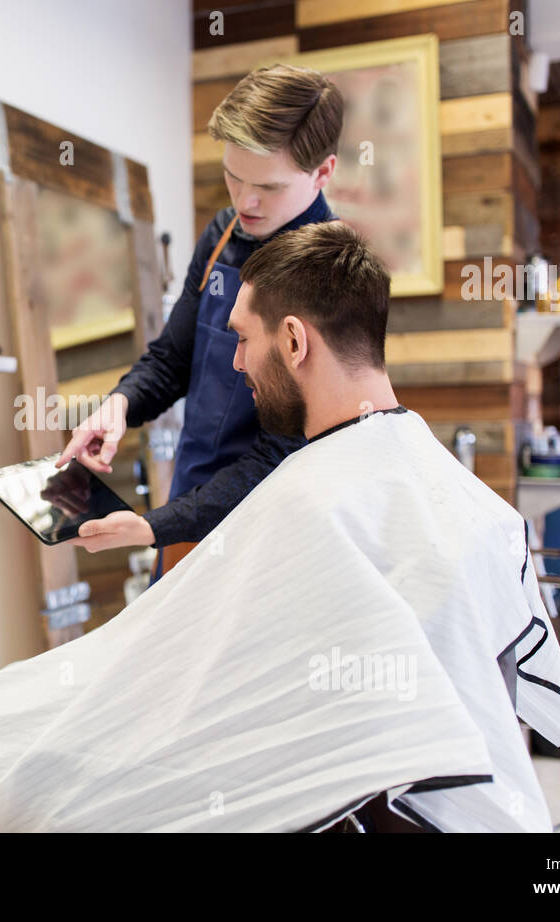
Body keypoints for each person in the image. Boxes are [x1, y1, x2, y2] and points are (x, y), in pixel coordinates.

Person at [0, 224, 560, 832]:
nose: (237, 363)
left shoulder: (314, 501)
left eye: (243, 339)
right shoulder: (470, 502)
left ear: (297, 342)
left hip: (192, 750)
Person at [57, 64, 343, 576]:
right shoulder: (221, 234)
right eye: (233, 176)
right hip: (188, 511)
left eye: (268, 187)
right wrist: (119, 405)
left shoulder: (330, 276)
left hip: (268, 535)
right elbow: (172, 359)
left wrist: (156, 525)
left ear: (323, 172)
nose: (245, 201)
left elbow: (281, 454)